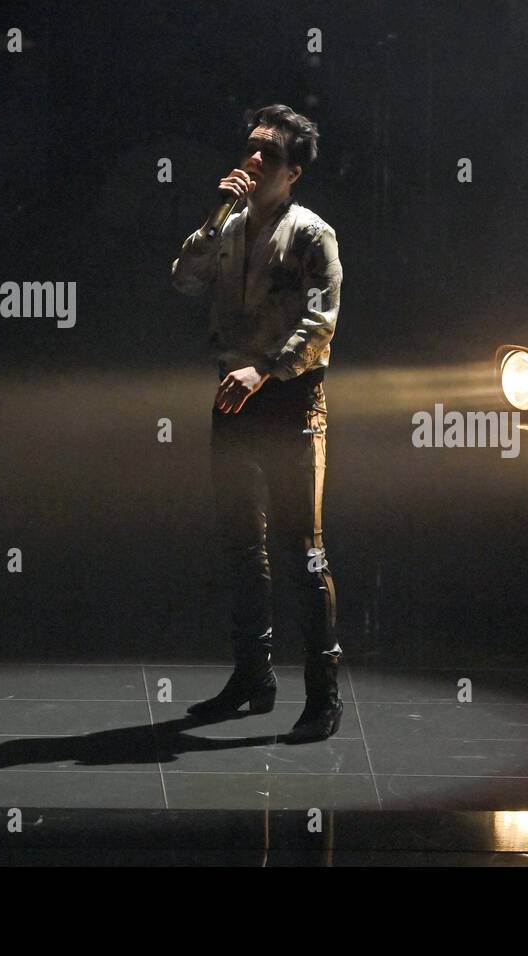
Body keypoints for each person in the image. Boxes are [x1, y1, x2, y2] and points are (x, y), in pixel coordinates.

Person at [170, 104, 344, 741]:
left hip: (291, 404)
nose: (253, 160)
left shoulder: (311, 234)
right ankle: (254, 674)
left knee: (306, 551)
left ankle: (323, 695)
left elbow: (321, 325)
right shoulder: (231, 225)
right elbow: (184, 278)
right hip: (232, 397)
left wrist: (265, 370)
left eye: (268, 154)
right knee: (243, 547)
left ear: (293, 171)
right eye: (250, 148)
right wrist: (216, 215)